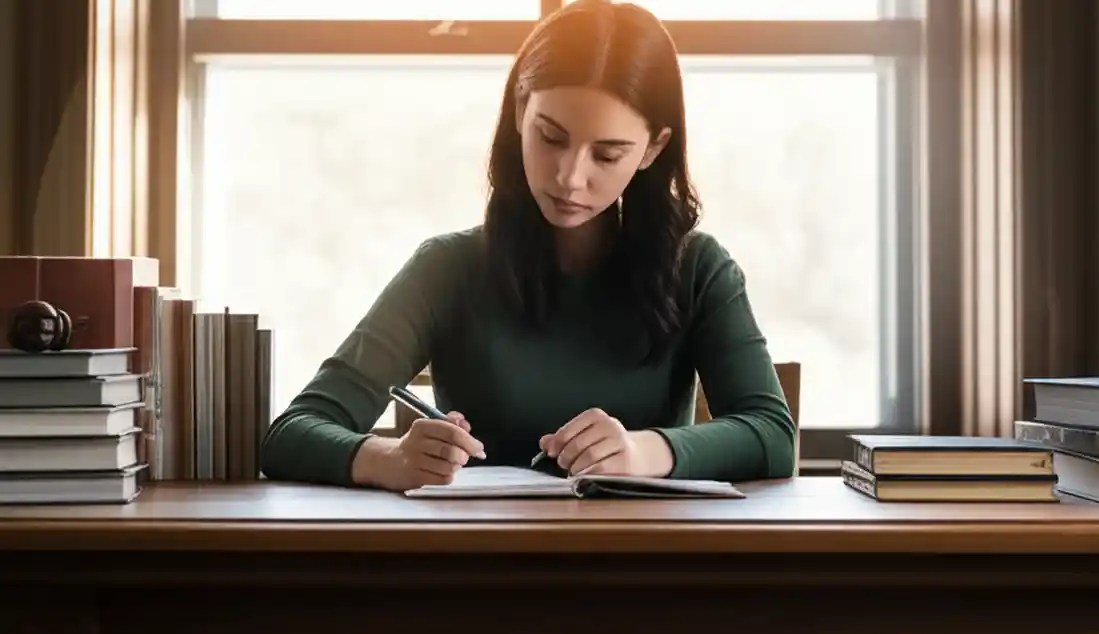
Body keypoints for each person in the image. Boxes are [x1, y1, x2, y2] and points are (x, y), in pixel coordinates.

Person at [259, 0, 796, 491]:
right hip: (481, 571)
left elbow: (772, 435)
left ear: (653, 149)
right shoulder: (447, 268)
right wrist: (388, 457)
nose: (569, 177)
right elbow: (291, 434)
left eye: (607, 155)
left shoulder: (698, 268)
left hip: (642, 571)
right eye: (551, 137)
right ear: (520, 113)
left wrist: (642, 450)